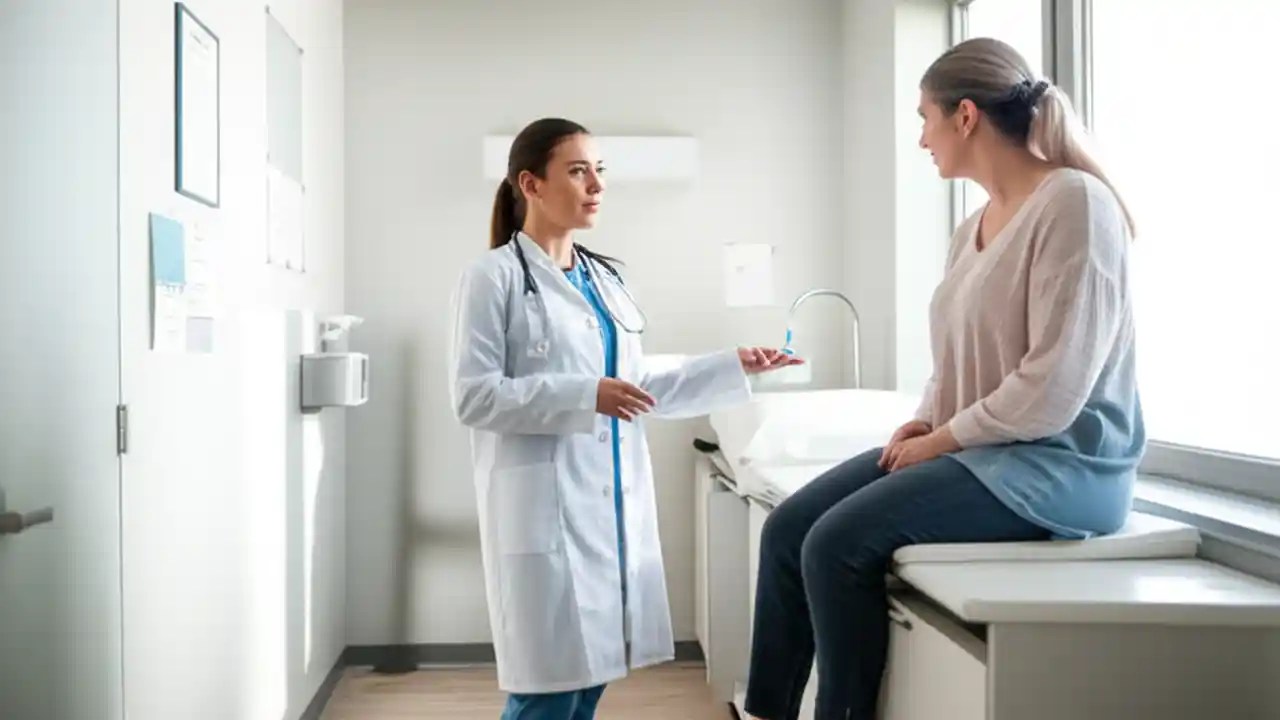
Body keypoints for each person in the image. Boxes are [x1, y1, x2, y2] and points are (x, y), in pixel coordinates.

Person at [743, 37, 1146, 720]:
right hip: (981, 451)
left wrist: (943, 439)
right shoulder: (973, 227)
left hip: (1062, 467)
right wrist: (929, 417)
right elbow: (956, 353)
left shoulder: (1076, 205)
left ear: (965, 116)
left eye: (925, 117)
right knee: (788, 530)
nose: (922, 137)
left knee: (836, 545)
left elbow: (1054, 386)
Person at [449, 117, 802, 720]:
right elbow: (475, 397)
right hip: (542, 511)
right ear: (530, 184)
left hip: (611, 508)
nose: (596, 185)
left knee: (588, 681)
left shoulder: (607, 279)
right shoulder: (493, 279)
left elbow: (635, 388)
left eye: (600, 171)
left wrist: (731, 365)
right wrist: (583, 394)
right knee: (550, 690)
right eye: (578, 170)